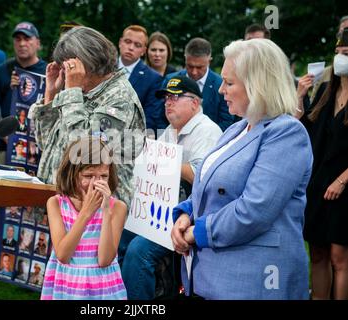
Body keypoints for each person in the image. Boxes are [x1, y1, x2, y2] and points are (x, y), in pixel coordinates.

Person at [171, 38, 313, 299]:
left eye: (230, 82)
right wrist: (185, 213)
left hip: (253, 282)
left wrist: (196, 232)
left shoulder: (286, 133)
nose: (221, 90)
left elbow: (255, 210)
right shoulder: (237, 129)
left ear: (257, 84)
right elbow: (208, 184)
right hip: (211, 279)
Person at [119, 75, 222, 299]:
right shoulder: (170, 130)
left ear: (195, 103)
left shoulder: (207, 131)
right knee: (117, 232)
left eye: (175, 97)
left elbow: (202, 179)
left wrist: (164, 159)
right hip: (160, 212)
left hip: (190, 216)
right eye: (166, 97)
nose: (168, 102)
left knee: (139, 251)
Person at [28, 26, 145, 209]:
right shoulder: (82, 91)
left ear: (87, 64)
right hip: (64, 203)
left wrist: (72, 92)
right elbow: (49, 145)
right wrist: (50, 95)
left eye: (69, 66)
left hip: (96, 212)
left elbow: (83, 153)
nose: (66, 72)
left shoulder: (119, 98)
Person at [296, 28, 348, 300]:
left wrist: (342, 181)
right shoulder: (327, 91)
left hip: (344, 186)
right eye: (337, 53)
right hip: (317, 184)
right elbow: (302, 128)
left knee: (340, 256)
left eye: (346, 53)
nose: (340, 58)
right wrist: (300, 95)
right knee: (317, 252)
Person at [41, 136, 127, 300]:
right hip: (66, 286)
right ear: (72, 174)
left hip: (102, 289)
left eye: (103, 176)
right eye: (88, 176)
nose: (96, 183)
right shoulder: (55, 204)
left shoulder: (117, 208)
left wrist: (106, 212)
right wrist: (86, 213)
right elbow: (63, 255)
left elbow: (104, 259)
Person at [0, 21, 46, 166]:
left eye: (27, 39)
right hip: (6, 146)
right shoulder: (0, 71)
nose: (22, 43)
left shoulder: (49, 71)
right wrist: (3, 133)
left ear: (38, 43)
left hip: (40, 148)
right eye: (18, 39)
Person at [164, 37, 234, 131]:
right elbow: (160, 116)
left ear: (209, 61)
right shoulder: (170, 80)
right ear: (185, 58)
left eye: (200, 67)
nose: (194, 72)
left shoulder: (220, 85)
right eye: (190, 66)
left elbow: (227, 121)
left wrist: (206, 138)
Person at [118, 25, 168, 134]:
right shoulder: (102, 68)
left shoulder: (153, 79)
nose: (131, 47)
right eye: (127, 41)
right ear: (120, 42)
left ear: (143, 51)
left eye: (137, 45)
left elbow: (149, 118)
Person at [311, 15, 348, 102]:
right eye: (341, 33)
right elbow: (312, 111)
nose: (344, 36)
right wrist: (301, 98)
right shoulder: (324, 76)